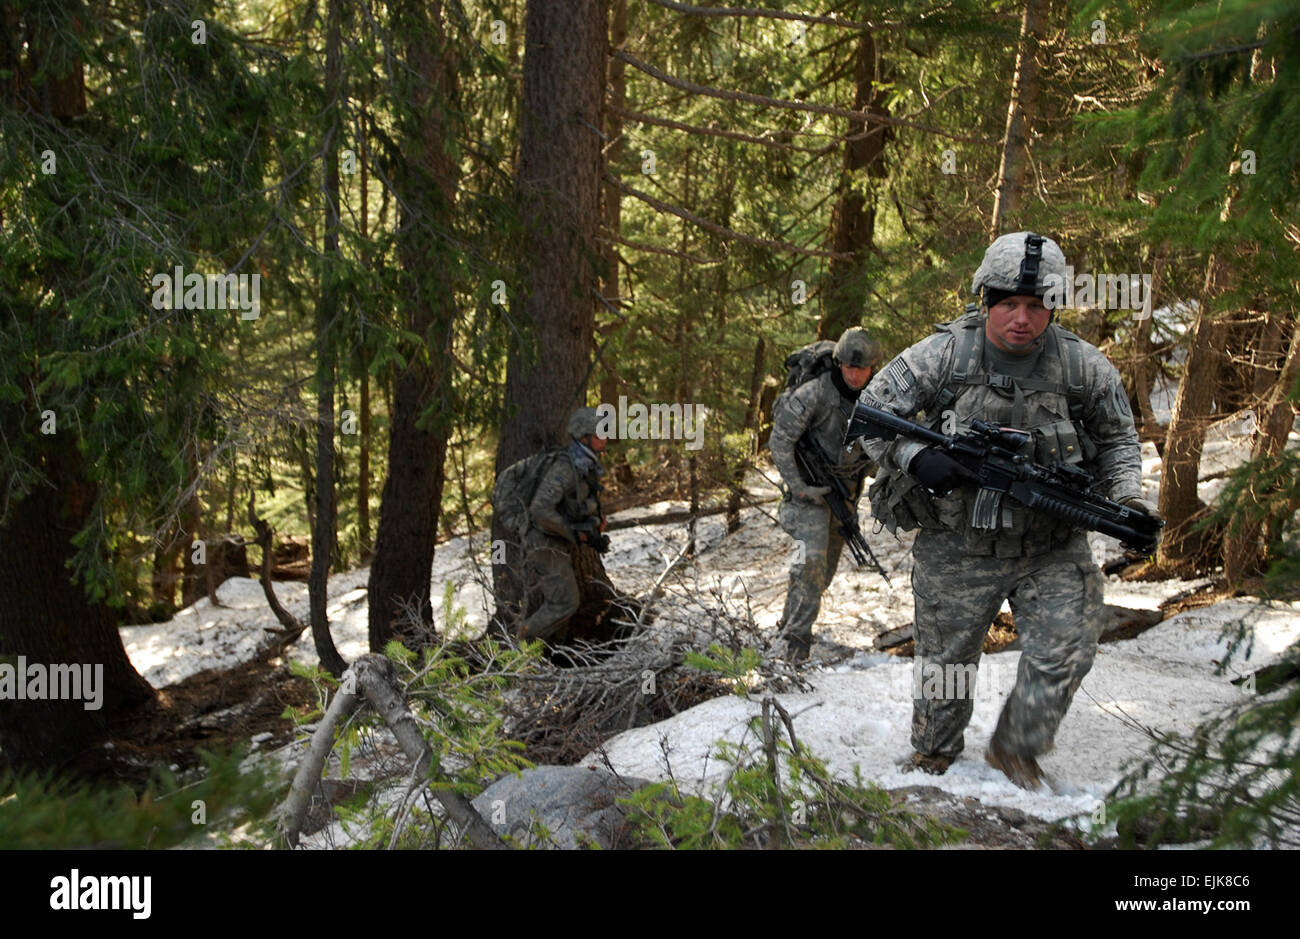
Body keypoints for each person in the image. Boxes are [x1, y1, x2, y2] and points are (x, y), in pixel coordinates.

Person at [861, 231, 1159, 788]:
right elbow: (872, 412)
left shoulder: (1082, 367)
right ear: (986, 301)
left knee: (1066, 649)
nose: (1022, 318)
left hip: (1052, 543)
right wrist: (915, 455)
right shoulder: (943, 354)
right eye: (1008, 305)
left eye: (1037, 304)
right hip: (958, 545)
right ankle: (933, 754)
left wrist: (1128, 501)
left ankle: (1015, 748)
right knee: (945, 667)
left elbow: (1118, 441)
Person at [768, 326, 882, 664]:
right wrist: (799, 488)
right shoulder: (816, 393)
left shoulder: (878, 396)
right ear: (838, 363)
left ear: (873, 368)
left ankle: (787, 626)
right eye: (848, 366)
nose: (854, 374)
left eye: (862, 368)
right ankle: (795, 643)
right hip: (809, 497)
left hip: (844, 494)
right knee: (810, 562)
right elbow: (780, 441)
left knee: (823, 572)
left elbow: (880, 448)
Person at [518, 407, 609, 642]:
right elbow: (540, 509)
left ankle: (552, 654)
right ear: (584, 437)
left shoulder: (584, 464)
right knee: (564, 602)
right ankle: (515, 648)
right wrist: (571, 532)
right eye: (599, 433)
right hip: (543, 542)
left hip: (554, 540)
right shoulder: (566, 468)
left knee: (565, 602)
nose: (605, 436)